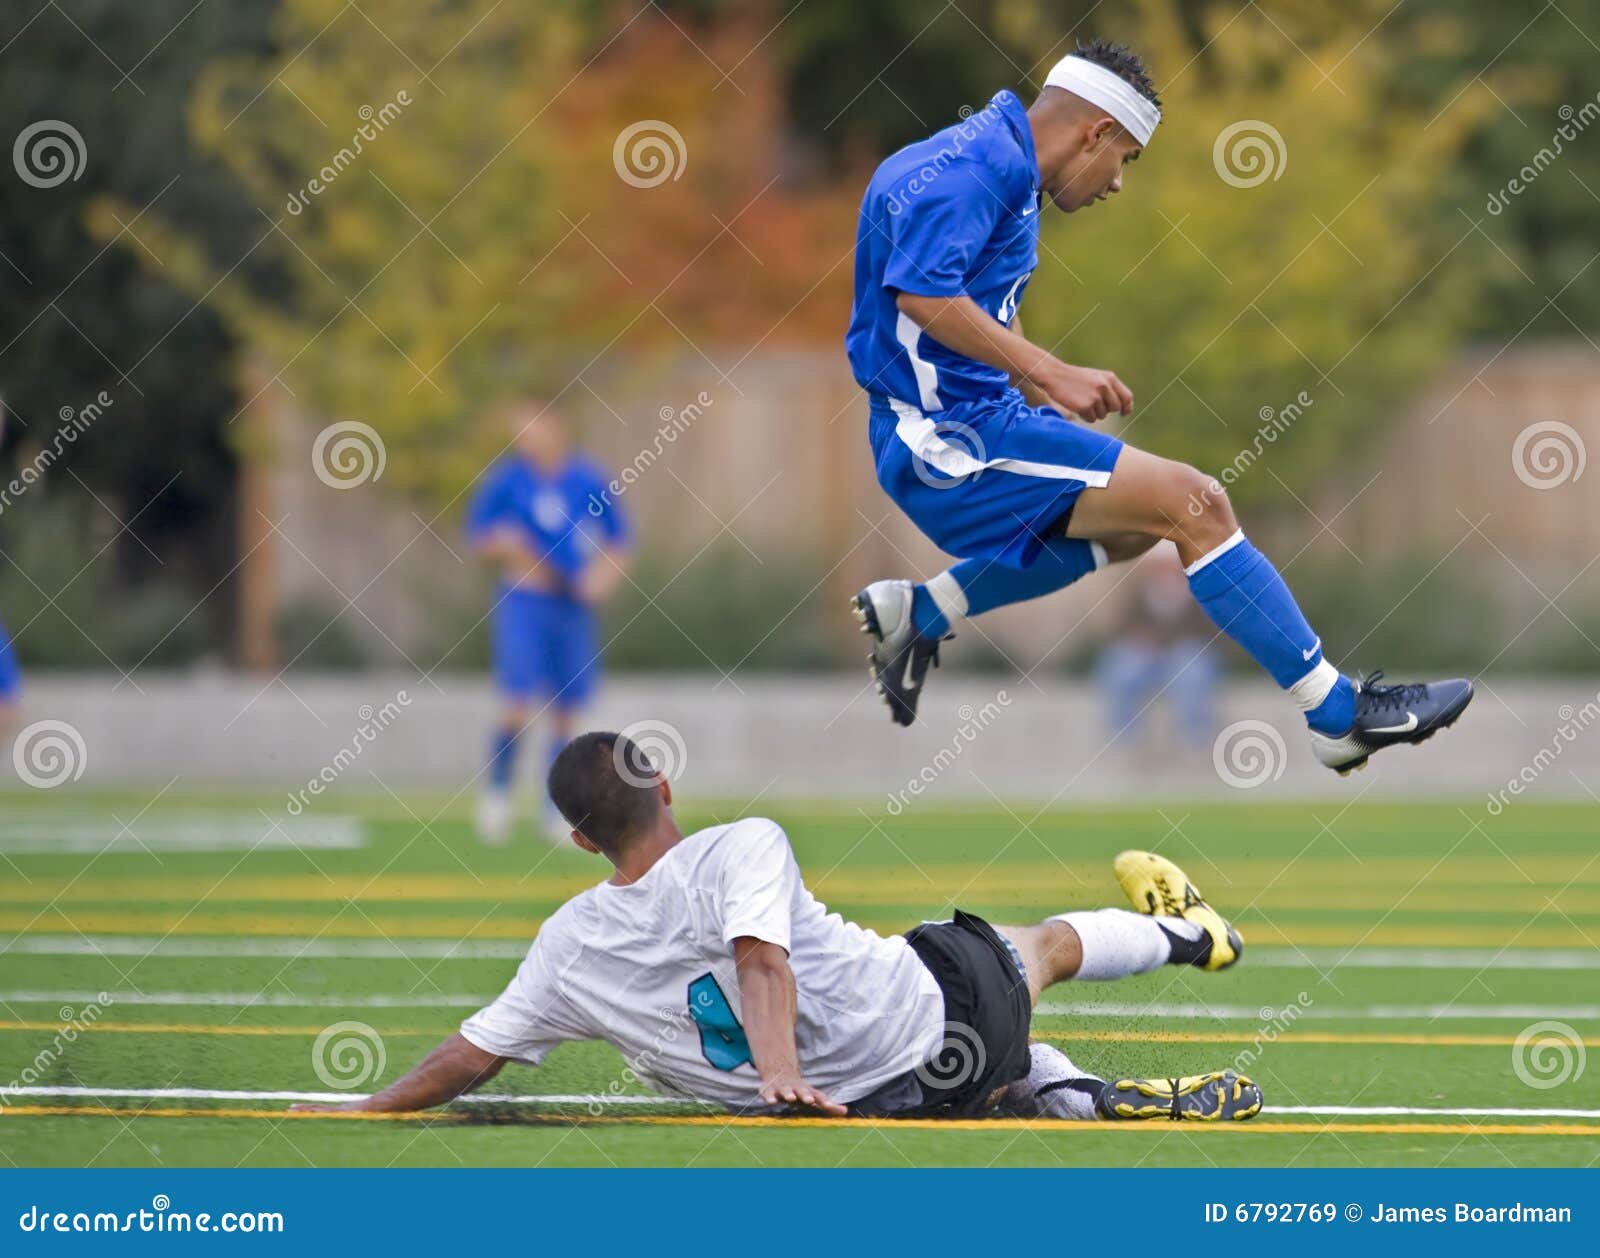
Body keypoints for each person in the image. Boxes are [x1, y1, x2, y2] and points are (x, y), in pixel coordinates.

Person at [845, 37, 1471, 775]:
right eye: (1127, 159)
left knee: (1144, 531)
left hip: (971, 420)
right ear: (1096, 132)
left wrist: (1036, 378)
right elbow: (921, 292)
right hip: (943, 440)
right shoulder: (972, 172)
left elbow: (968, 297)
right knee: (1195, 503)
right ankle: (1338, 715)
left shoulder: (1004, 169)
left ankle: (920, 613)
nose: (1117, 183)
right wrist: (1046, 366)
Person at [291, 731, 1263, 1123]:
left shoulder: (564, 945)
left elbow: (471, 1055)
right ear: (666, 787)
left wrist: (367, 1108)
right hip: (946, 1007)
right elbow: (759, 959)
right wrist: (775, 1066)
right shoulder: (741, 842)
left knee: (1001, 1076)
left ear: (582, 839)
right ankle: (1193, 934)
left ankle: (1090, 1097)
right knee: (1041, 946)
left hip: (888, 1109)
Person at [466, 401, 630, 843]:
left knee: (566, 714)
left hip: (572, 608)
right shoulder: (507, 479)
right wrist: (508, 546)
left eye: (534, 423)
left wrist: (600, 579)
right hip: (525, 603)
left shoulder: (588, 479)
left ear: (556, 423)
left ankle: (556, 808)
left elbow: (618, 542)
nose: (525, 434)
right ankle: (497, 797)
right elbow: (481, 535)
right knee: (515, 705)